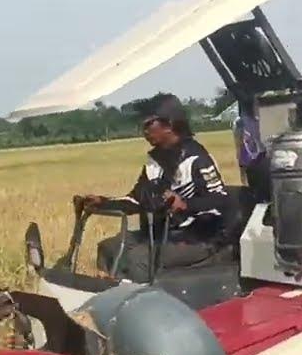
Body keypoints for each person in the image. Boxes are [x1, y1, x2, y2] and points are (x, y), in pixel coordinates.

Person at [77, 95, 242, 278]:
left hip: (199, 238)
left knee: (138, 259)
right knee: (109, 248)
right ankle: (109, 293)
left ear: (169, 125)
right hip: (162, 234)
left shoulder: (197, 159)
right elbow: (136, 200)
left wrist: (186, 205)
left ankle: (141, 302)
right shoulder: (154, 162)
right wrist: (103, 203)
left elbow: (220, 200)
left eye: (149, 124)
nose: (144, 130)